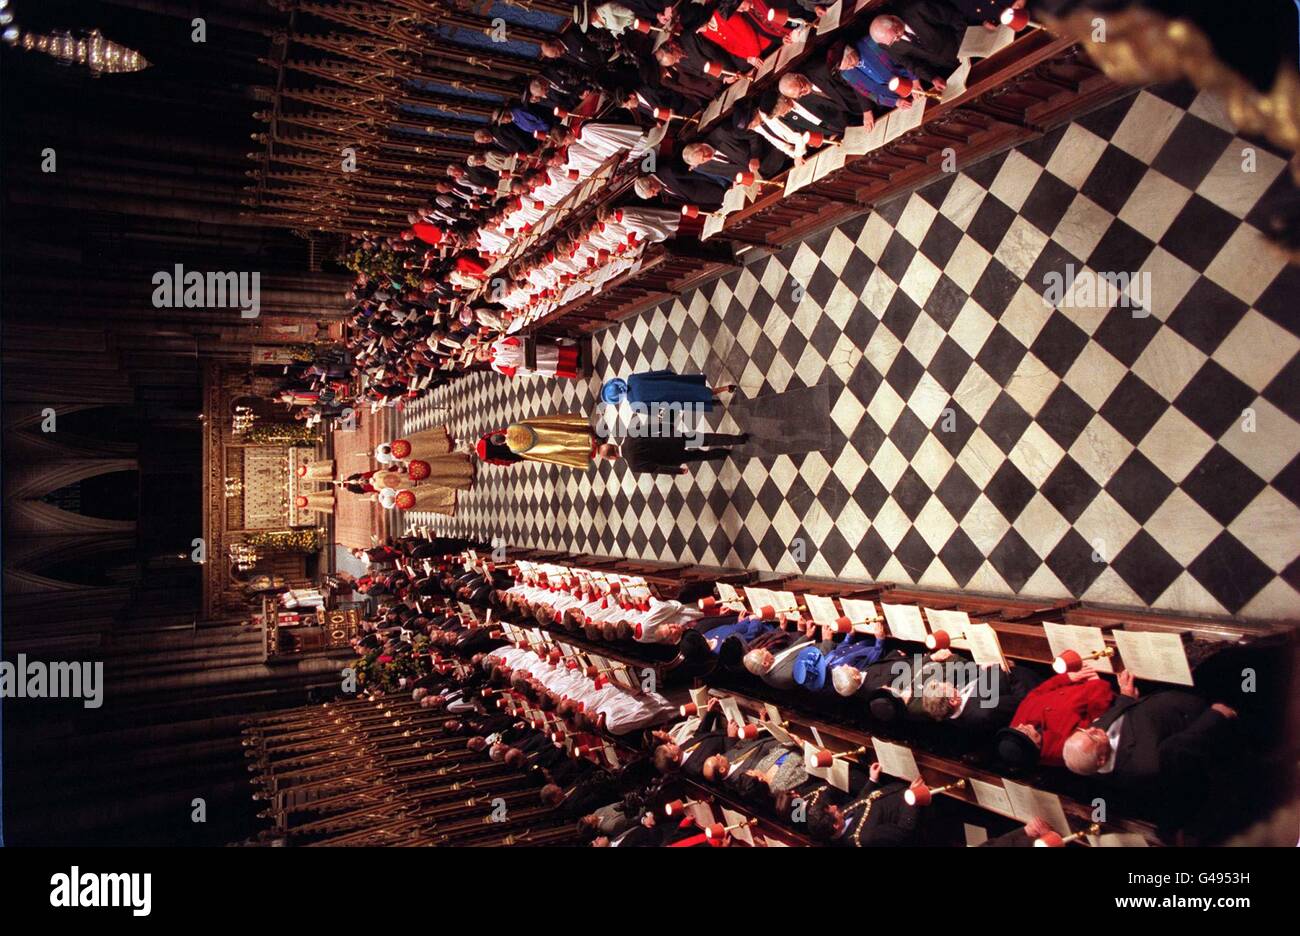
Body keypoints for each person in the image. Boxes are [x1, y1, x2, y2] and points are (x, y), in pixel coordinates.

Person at [994, 662, 1116, 769]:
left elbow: (1034, 695)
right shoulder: (1069, 747)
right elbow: (1097, 716)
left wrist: (1067, 678)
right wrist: (1095, 683)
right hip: (1100, 684)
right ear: (1035, 746)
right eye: (1025, 732)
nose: (1021, 725)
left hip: (1074, 678)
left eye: (1016, 728)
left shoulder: (1016, 730)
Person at [601, 430, 750, 474]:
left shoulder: (634, 466)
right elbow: (652, 427)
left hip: (673, 458)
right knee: (707, 438)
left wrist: (678, 471)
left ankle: (723, 454)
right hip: (673, 440)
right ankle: (739, 439)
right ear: (613, 444)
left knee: (700, 456)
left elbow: (657, 468)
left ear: (613, 458)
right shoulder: (630, 435)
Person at [481, 413, 596, 470]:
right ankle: (586, 431)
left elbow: (530, 455)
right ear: (499, 433)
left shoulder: (514, 449)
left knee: (562, 446)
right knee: (563, 432)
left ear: (500, 443)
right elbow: (533, 422)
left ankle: (587, 447)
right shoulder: (513, 427)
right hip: (543, 431)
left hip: (542, 446)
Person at [600, 370, 735, 412]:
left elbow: (655, 410)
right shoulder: (632, 378)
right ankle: (723, 389)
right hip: (669, 383)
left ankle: (718, 401)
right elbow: (654, 374)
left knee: (693, 400)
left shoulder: (634, 405)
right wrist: (669, 373)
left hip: (669, 399)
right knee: (693, 389)